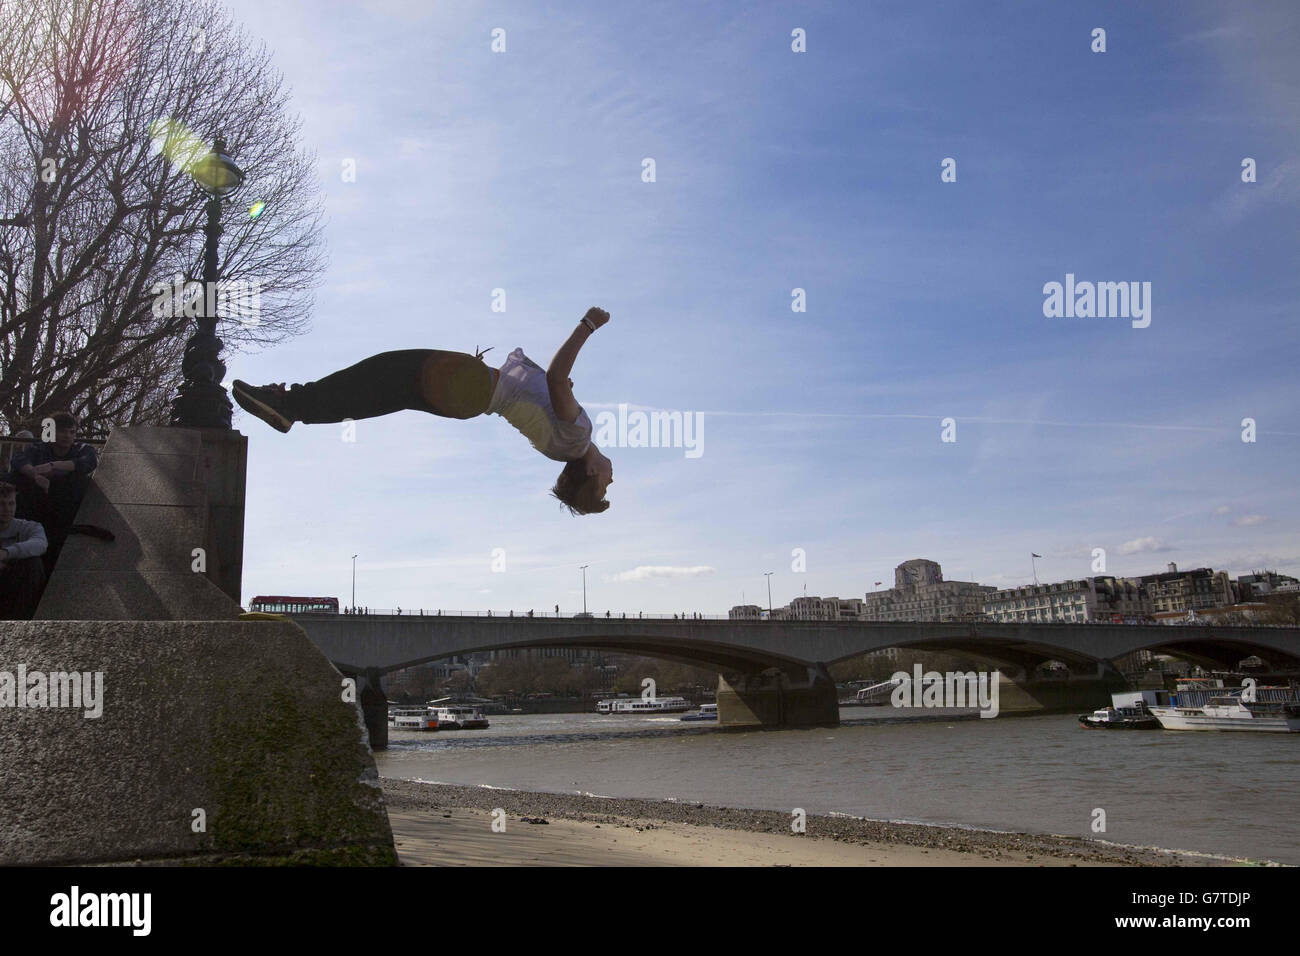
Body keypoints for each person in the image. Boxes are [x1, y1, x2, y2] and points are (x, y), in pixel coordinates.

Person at [232, 307, 615, 515]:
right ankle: (292, 407)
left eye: (604, 484)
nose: (612, 479)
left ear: (592, 472)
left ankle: (291, 404)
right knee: (376, 393)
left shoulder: (578, 437)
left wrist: (587, 325)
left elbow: (557, 377)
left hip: (473, 385)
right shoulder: (561, 449)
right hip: (468, 399)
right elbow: (545, 396)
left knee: (376, 375)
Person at [8, 411, 97, 574]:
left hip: (64, 505)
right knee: (15, 477)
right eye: (63, 431)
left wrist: (53, 466)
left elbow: (89, 461)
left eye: (72, 432)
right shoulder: (40, 449)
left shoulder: (81, 448)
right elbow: (18, 459)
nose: (68, 436)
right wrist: (35, 474)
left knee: (79, 480)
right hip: (38, 502)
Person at [0, 480, 48, 619]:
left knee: (34, 563)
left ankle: (21, 622)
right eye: (2, 504)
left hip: (14, 586)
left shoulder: (29, 527)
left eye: (11, 503)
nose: (8, 509)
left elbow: (40, 544)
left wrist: (6, 553)